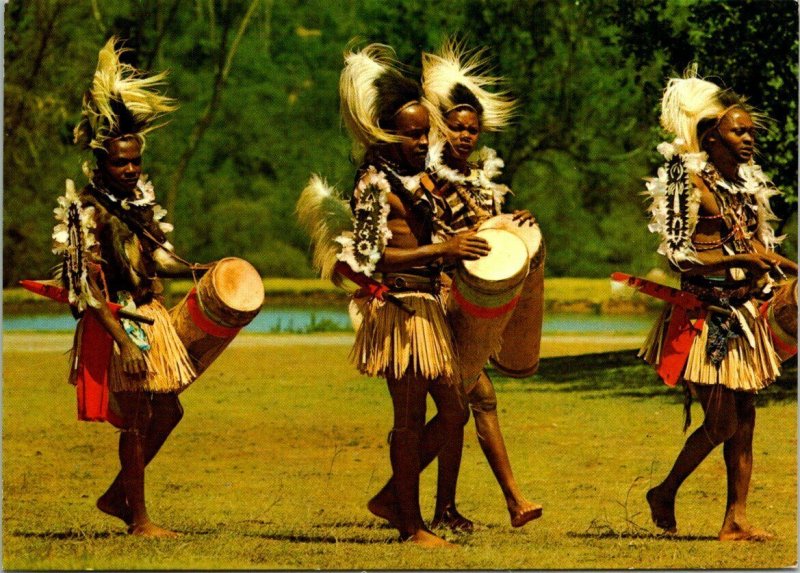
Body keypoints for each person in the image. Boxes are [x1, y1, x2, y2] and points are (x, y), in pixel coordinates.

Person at [53, 37, 211, 537]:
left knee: (168, 408)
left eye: (135, 162)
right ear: (101, 165)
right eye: (121, 163)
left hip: (148, 314)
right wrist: (122, 341)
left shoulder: (138, 203)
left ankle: (118, 495)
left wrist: (194, 272)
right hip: (117, 320)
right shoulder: (89, 211)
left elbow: (152, 261)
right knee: (140, 416)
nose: (131, 170)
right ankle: (138, 519)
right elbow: (84, 287)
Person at [335, 44, 491, 548]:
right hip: (399, 309)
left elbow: (444, 237)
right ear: (387, 135)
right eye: (414, 133)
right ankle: (411, 524)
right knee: (407, 420)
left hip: (428, 309)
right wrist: (444, 248)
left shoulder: (421, 179)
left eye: (427, 132)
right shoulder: (372, 184)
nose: (425, 140)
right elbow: (370, 259)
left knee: (453, 411)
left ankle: (391, 499)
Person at [639, 68, 797, 541]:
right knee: (723, 420)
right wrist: (740, 257)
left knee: (744, 422)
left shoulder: (747, 189)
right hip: (703, 317)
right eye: (738, 131)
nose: (749, 139)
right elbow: (679, 257)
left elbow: (759, 249)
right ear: (710, 137)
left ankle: (736, 518)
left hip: (745, 314)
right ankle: (664, 491)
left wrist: (780, 266)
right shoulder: (687, 182)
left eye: (750, 131)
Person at [419, 40, 543, 531]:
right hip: (438, 305)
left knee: (467, 402)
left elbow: (490, 234)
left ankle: (428, 502)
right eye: (456, 126)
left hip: (471, 308)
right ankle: (502, 501)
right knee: (471, 401)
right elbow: (429, 239)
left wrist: (515, 224)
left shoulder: (479, 179)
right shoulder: (425, 179)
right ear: (438, 125)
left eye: (473, 129)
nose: (466, 135)